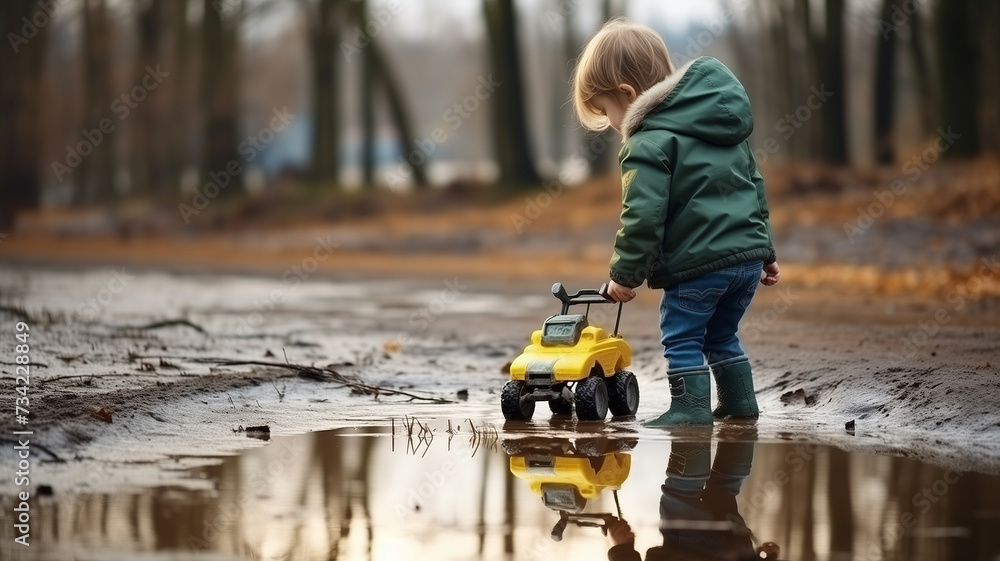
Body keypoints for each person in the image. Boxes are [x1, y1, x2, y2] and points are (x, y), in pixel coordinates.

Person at [571, 19, 780, 425]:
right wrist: (766, 251)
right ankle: (740, 405)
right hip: (747, 263)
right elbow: (754, 187)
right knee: (722, 335)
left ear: (627, 94)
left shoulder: (648, 141)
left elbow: (642, 217)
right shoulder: (724, 127)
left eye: (606, 110)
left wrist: (624, 275)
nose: (612, 122)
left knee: (682, 335)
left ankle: (689, 410)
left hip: (699, 266)